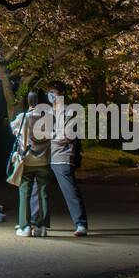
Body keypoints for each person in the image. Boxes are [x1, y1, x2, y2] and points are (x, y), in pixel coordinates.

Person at [46, 81, 89, 236]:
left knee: (70, 191)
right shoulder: (48, 111)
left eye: (53, 92)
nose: (51, 95)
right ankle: (40, 223)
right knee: (39, 189)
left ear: (62, 94)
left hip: (62, 157)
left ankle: (81, 224)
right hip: (46, 156)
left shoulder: (70, 112)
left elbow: (67, 135)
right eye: (49, 92)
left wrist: (48, 138)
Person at [10, 91, 51, 237]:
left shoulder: (24, 117)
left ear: (30, 102)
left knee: (24, 193)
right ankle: (42, 227)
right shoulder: (51, 118)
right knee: (43, 193)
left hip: (27, 160)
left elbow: (14, 129)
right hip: (45, 160)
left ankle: (25, 226)